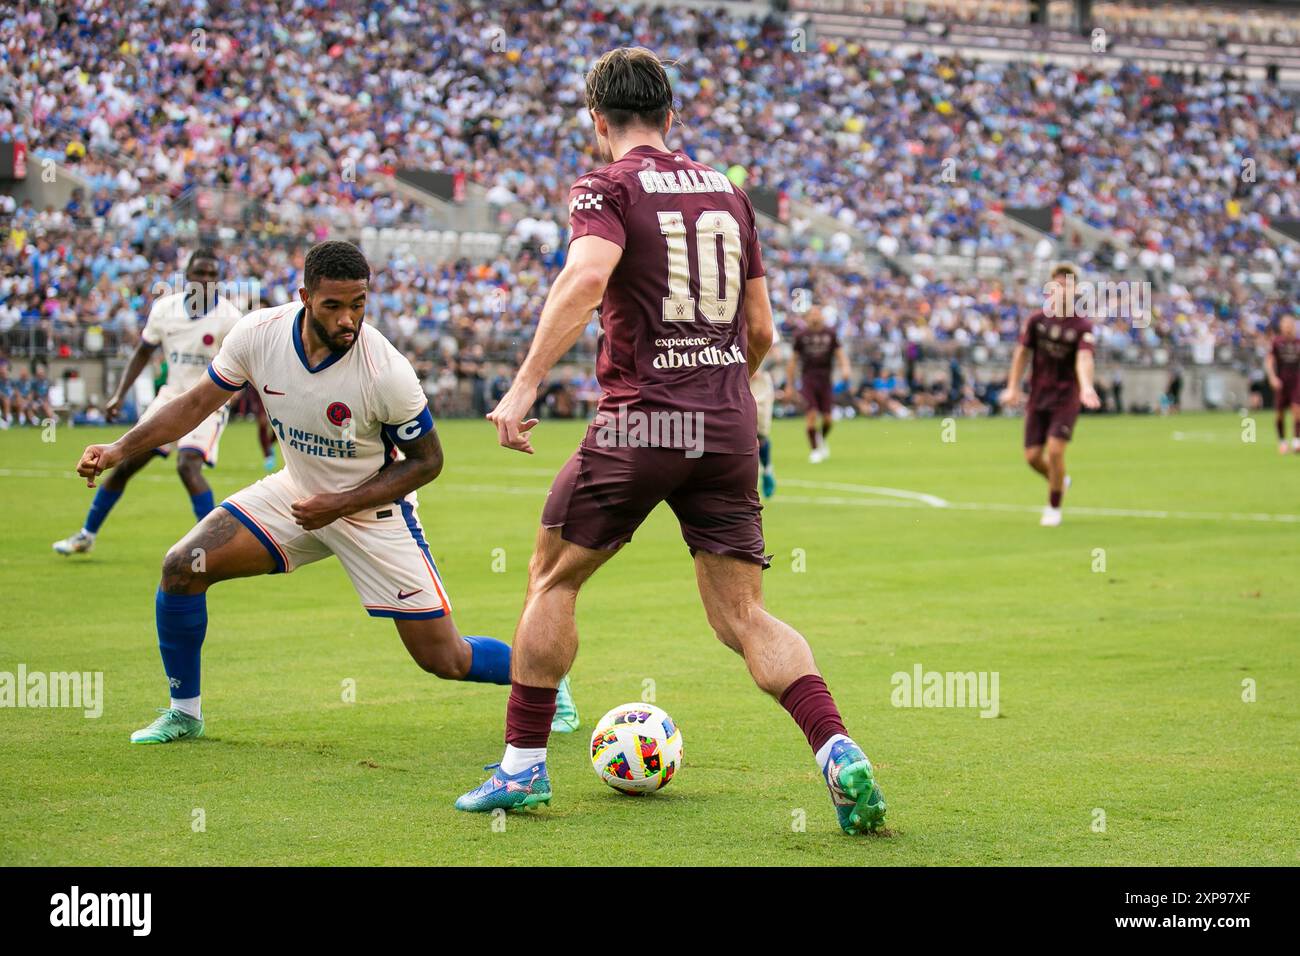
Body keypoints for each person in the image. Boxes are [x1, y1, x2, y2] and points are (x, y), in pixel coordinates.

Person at [453, 48, 886, 835]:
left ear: (597, 120)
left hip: (645, 418)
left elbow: (586, 279)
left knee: (553, 579)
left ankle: (521, 770)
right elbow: (761, 331)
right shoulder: (728, 189)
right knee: (744, 617)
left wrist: (522, 386)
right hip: (726, 423)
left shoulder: (605, 186)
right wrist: (722, 390)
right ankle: (836, 749)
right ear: (671, 113)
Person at [72, 241, 576, 744]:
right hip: (296, 495)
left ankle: (544, 675)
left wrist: (340, 504)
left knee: (446, 659)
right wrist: (118, 448)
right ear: (305, 297)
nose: (348, 320)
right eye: (334, 305)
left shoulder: (387, 371)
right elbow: (195, 403)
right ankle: (185, 712)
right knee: (183, 567)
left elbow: (428, 463)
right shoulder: (256, 334)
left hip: (374, 512)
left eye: (358, 304)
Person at [53, 250, 244, 555]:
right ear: (187, 276)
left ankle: (211, 547)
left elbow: (242, 366)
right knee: (125, 464)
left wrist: (233, 395)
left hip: (208, 400)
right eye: (200, 273)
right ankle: (86, 535)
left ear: (219, 280)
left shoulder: (231, 318)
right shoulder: (165, 309)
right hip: (170, 398)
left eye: (212, 275)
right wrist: (118, 394)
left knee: (187, 465)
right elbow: (143, 352)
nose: (206, 280)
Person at [1002, 263, 1102, 527]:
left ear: (1076, 290)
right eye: (1058, 284)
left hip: (1066, 396)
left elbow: (1084, 359)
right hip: (1038, 395)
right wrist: (1013, 386)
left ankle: (1054, 506)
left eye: (1068, 285)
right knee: (1032, 457)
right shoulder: (1037, 321)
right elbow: (1022, 354)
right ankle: (1060, 480)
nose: (1063, 289)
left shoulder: (1082, 325)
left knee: (1056, 452)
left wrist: (1087, 386)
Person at [785, 305, 849, 462]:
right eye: (812, 314)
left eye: (817, 314)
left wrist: (846, 369)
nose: (815, 317)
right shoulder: (800, 335)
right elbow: (793, 361)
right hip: (808, 379)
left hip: (826, 380)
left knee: (828, 419)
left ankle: (820, 438)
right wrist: (789, 384)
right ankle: (814, 450)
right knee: (812, 414)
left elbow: (840, 354)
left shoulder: (830, 334)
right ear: (807, 318)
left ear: (822, 316)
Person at [1265, 315, 1300, 454]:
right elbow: (1269, 361)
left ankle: (1297, 441)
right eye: (1286, 324)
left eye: (1290, 324)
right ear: (1281, 326)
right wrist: (1272, 377)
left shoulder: (1298, 342)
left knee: (1297, 410)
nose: (1288, 327)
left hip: (1297, 380)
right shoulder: (1276, 342)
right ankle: (1282, 441)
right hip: (1281, 381)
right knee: (1279, 414)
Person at [750, 339, 778, 497]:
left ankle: (767, 470)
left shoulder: (761, 316)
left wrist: (757, 368)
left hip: (758, 384)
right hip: (733, 376)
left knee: (760, 432)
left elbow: (776, 356)